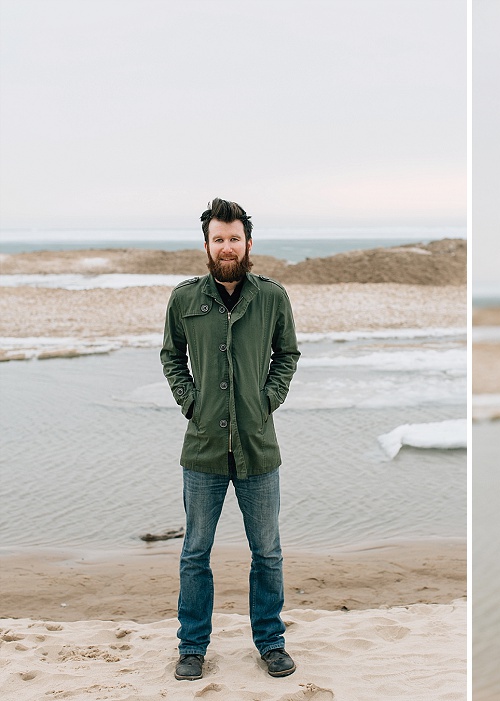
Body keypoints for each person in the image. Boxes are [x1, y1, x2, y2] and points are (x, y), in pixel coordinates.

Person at [161, 198, 301, 681]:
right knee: (195, 552)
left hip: (259, 447)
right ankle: (192, 647)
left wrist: (267, 400)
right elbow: (171, 357)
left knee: (267, 552)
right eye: (218, 239)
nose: (226, 247)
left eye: (234, 238)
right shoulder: (184, 300)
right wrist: (191, 402)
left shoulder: (272, 298)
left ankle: (271, 642)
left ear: (248, 243)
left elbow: (287, 354)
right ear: (206, 244)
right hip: (202, 449)